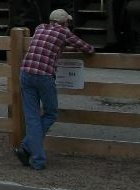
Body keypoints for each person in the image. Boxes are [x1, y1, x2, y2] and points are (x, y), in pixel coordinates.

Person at [14, 9, 95, 170]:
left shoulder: (40, 28)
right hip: (44, 76)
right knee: (50, 113)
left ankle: (29, 149)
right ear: (64, 22)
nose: (69, 25)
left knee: (32, 117)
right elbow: (88, 49)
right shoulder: (64, 32)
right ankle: (35, 157)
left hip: (25, 73)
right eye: (68, 22)